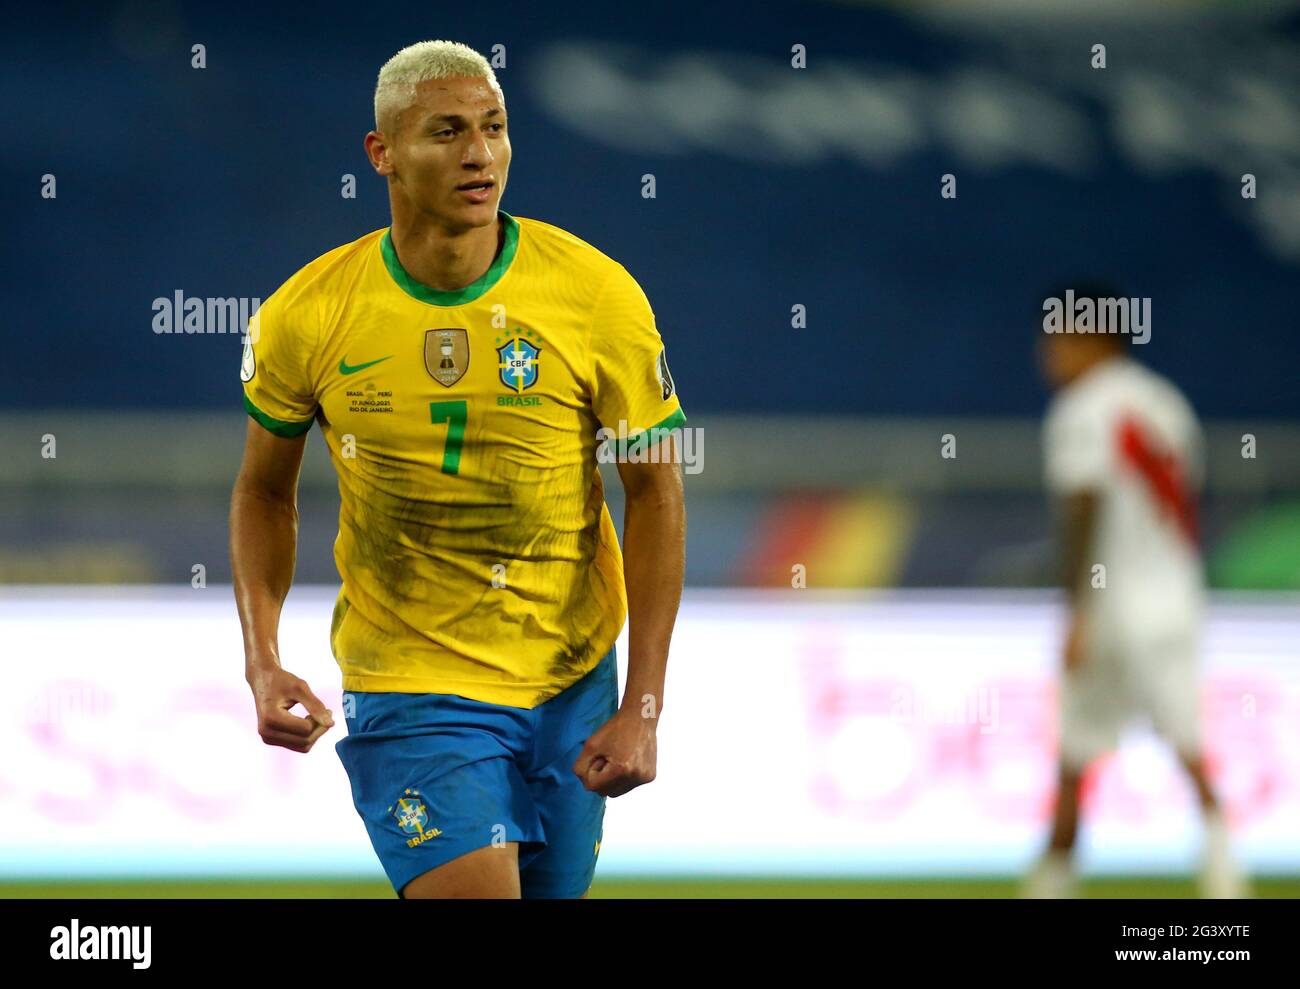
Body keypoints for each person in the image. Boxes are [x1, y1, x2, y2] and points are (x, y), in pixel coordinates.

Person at [229, 40, 687, 898]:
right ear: (383, 153)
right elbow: (262, 490)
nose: (479, 153)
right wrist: (262, 655)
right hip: (411, 684)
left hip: (570, 676)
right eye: (446, 131)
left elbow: (656, 490)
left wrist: (644, 702)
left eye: (494, 127)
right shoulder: (309, 313)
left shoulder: (596, 296)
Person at [1023, 284, 1246, 899]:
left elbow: (1083, 507)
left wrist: (1075, 610)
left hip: (1112, 603)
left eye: (1058, 336)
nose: (1047, 352)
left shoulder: (1082, 408)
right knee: (1185, 736)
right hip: (1173, 595)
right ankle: (1224, 870)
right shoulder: (1166, 402)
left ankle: (1056, 879)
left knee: (1074, 745)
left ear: (1088, 337)